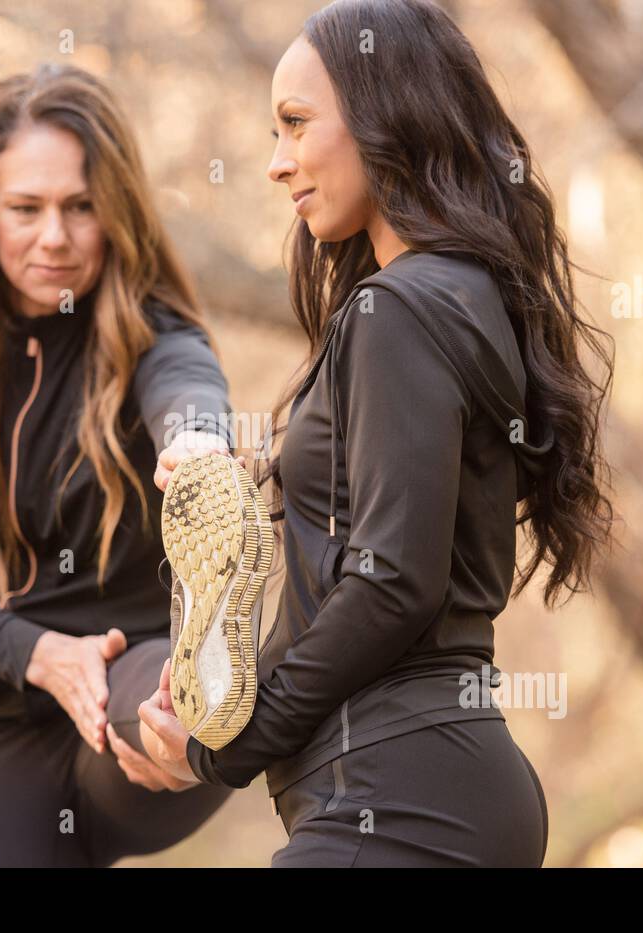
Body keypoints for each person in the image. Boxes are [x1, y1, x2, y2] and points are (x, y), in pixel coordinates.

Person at [139, 0, 615, 867]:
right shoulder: (456, 296)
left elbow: (393, 582)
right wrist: (218, 698)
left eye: (295, 124)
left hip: (400, 797)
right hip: (435, 786)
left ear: (383, 111)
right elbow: (360, 552)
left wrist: (224, 752)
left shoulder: (398, 311)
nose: (277, 164)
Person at [0, 64, 241, 867]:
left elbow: (187, 389)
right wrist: (39, 654)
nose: (55, 237)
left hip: (134, 670)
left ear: (116, 208)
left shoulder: (156, 335)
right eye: (25, 209)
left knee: (172, 699)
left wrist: (201, 445)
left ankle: (210, 690)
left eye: (80, 206)